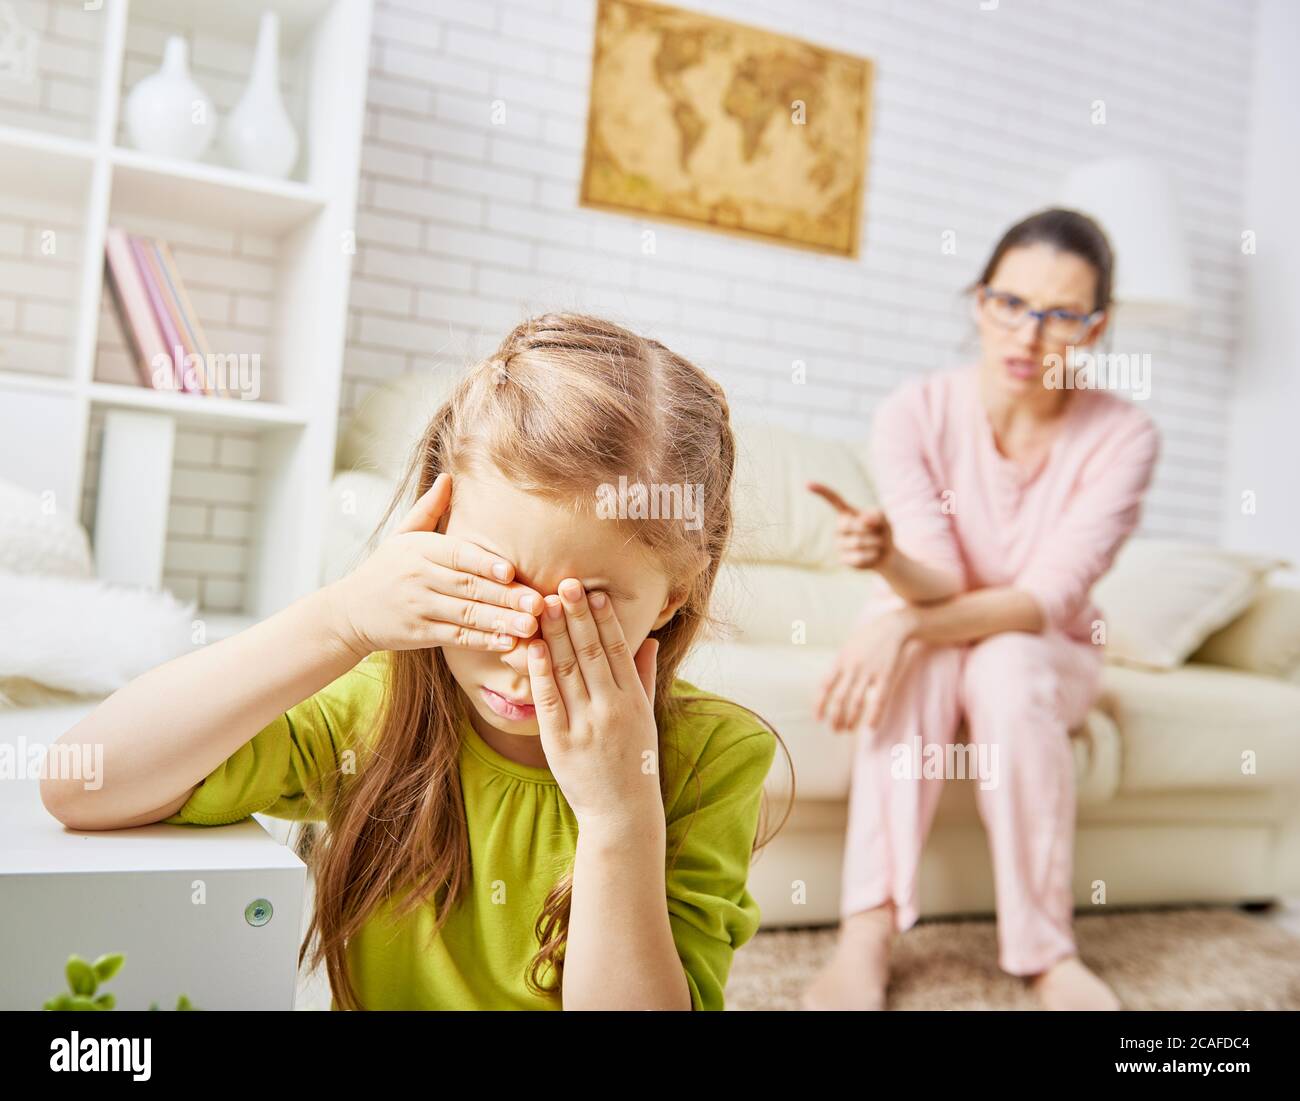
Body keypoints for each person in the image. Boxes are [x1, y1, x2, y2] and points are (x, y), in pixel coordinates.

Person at [42, 313, 790, 1011]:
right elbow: (80, 783)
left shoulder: (708, 760)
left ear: (670, 599)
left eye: (585, 608)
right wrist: (337, 619)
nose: (521, 651)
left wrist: (619, 815)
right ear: (435, 526)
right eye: (489, 583)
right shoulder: (375, 701)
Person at [802, 209, 1160, 1011]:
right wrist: (891, 564)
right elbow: (937, 574)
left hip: (1041, 648)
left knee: (1001, 658)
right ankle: (866, 936)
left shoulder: (1124, 436)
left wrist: (899, 622)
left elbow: (1044, 601)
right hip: (929, 623)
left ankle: (1045, 952)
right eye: (1010, 304)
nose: (1029, 337)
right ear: (978, 301)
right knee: (928, 655)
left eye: (1062, 315)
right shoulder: (914, 413)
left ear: (1095, 329)